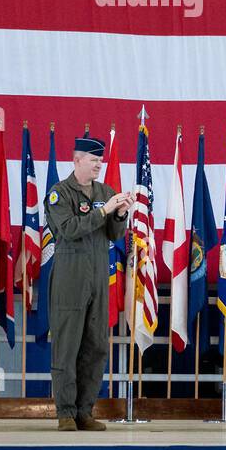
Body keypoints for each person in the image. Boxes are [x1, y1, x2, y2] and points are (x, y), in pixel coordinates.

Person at [45, 136, 133, 431]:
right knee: (67, 348)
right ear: (77, 160)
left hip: (98, 278)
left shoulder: (104, 192)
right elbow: (69, 229)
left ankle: (85, 411)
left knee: (96, 348)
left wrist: (120, 214)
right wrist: (104, 211)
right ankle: (66, 413)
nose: (99, 165)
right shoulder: (60, 193)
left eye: (100, 161)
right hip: (70, 280)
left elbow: (114, 235)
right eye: (94, 160)